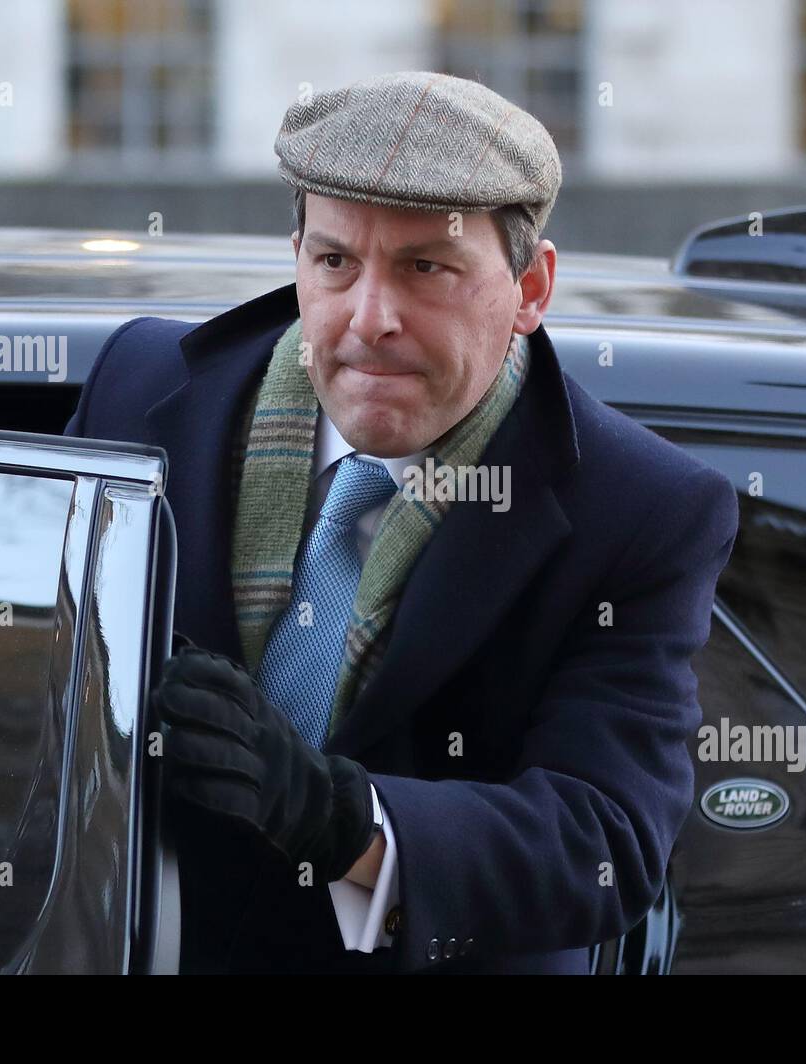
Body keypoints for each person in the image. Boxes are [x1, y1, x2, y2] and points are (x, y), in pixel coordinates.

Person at [63, 70, 738, 974]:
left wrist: (348, 821)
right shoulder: (138, 390)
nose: (370, 318)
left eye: (426, 267)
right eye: (336, 261)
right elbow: (17, 677)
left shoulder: (644, 509)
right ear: (297, 253)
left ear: (531, 289)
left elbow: (604, 843)